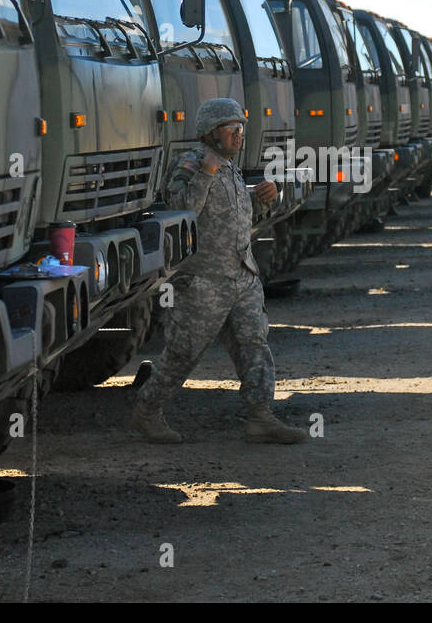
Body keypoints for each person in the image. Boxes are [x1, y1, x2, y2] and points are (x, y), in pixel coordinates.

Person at [131, 98, 306, 445]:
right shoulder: (191, 164)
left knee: (254, 343)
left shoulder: (229, 168)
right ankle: (147, 411)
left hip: (242, 275)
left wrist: (261, 199)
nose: (240, 135)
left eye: (242, 128)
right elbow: (182, 210)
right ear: (212, 132)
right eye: (232, 128)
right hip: (203, 282)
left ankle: (260, 417)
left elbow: (236, 217)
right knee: (184, 351)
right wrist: (206, 173)